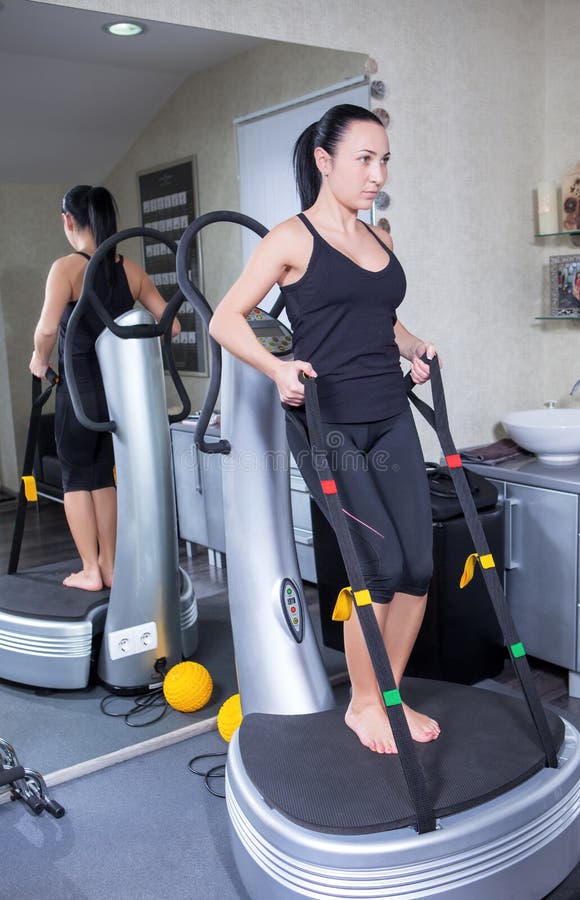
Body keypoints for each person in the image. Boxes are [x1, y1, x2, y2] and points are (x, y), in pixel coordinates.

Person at [209, 104, 440, 755]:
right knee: (381, 565)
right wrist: (276, 366)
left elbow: (382, 317)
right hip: (327, 424)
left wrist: (414, 348)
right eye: (365, 159)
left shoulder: (380, 240)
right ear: (324, 160)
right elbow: (226, 319)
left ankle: (388, 695)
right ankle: (364, 704)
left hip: (389, 416)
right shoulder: (291, 239)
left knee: (419, 566)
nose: (377, 173)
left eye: (384, 159)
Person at [30, 185, 179, 592]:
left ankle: (90, 570)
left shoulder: (67, 269)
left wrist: (40, 360)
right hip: (117, 397)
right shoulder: (129, 270)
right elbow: (173, 325)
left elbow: (46, 328)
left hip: (77, 394)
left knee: (77, 479)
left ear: (68, 220)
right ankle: (111, 567)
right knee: (103, 478)